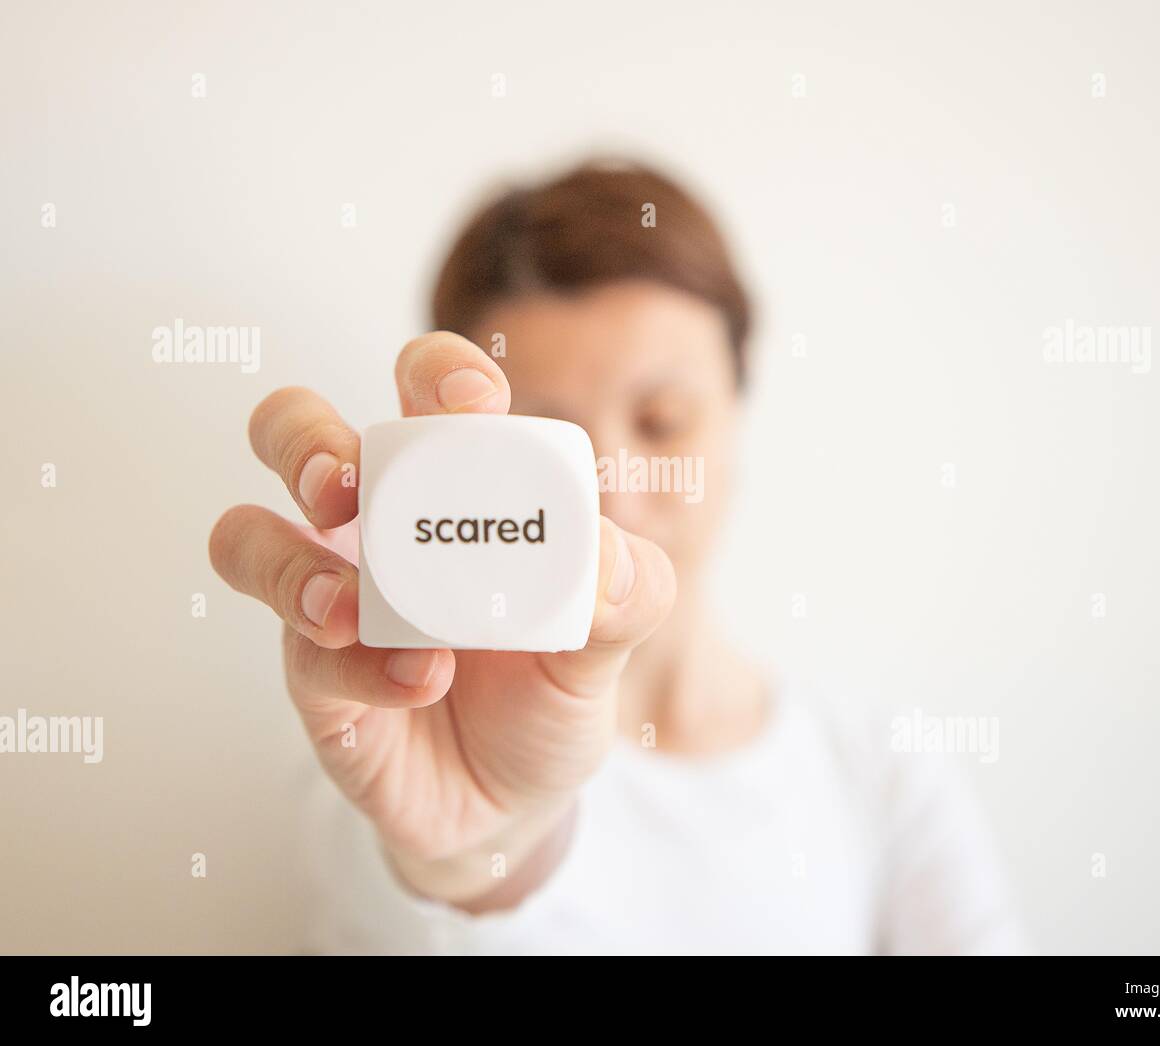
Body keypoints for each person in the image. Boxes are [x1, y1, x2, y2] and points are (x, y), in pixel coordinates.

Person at [208, 159, 1026, 955]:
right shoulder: (386, 753)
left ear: (738, 407)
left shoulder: (879, 772)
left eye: (663, 421)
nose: (616, 499)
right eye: (548, 456)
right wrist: (471, 859)